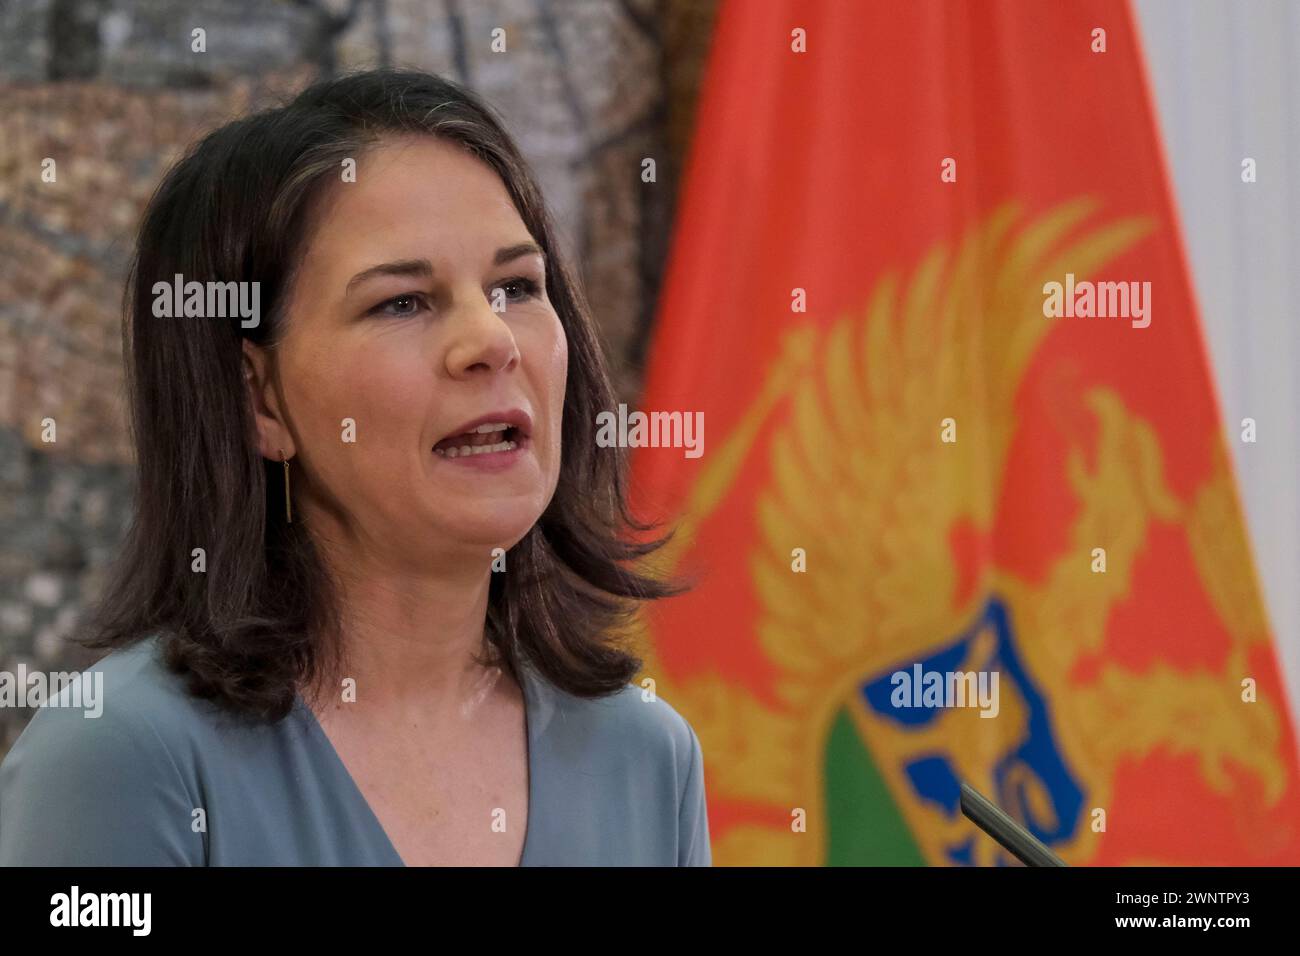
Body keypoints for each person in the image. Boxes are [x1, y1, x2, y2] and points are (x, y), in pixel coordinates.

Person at [0, 68, 710, 867]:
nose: (493, 341)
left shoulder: (647, 757)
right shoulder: (122, 761)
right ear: (258, 401)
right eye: (402, 302)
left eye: (516, 286)